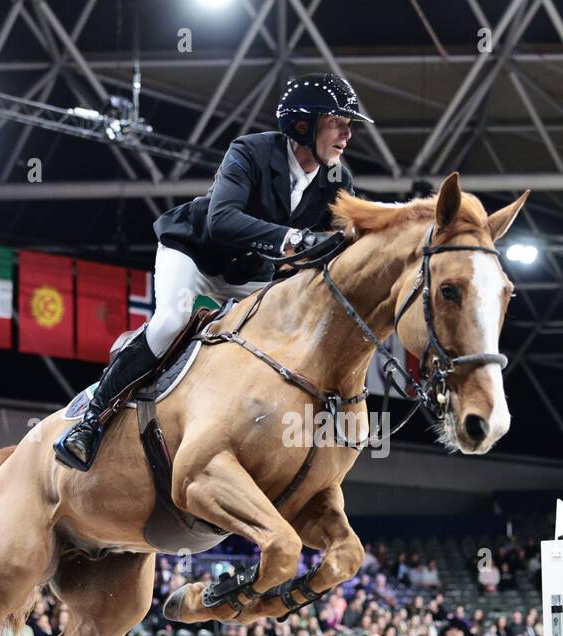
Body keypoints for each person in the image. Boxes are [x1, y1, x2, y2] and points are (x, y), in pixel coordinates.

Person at [55, 73, 371, 469]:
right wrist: (294, 240)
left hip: (252, 272)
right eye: (337, 122)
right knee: (171, 321)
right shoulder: (250, 152)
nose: (347, 134)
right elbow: (222, 220)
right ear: (302, 125)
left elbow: (353, 233)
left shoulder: (338, 178)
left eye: (349, 125)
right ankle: (91, 420)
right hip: (195, 253)